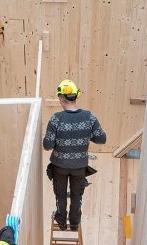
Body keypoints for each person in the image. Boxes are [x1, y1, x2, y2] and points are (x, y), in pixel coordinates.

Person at [43, 79, 107, 231]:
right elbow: (101, 139)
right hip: (79, 166)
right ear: (76, 96)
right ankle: (74, 223)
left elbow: (47, 145)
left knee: (61, 194)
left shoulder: (56, 119)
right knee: (77, 194)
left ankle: (61, 222)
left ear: (61, 98)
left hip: (59, 166)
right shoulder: (89, 117)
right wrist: (85, 135)